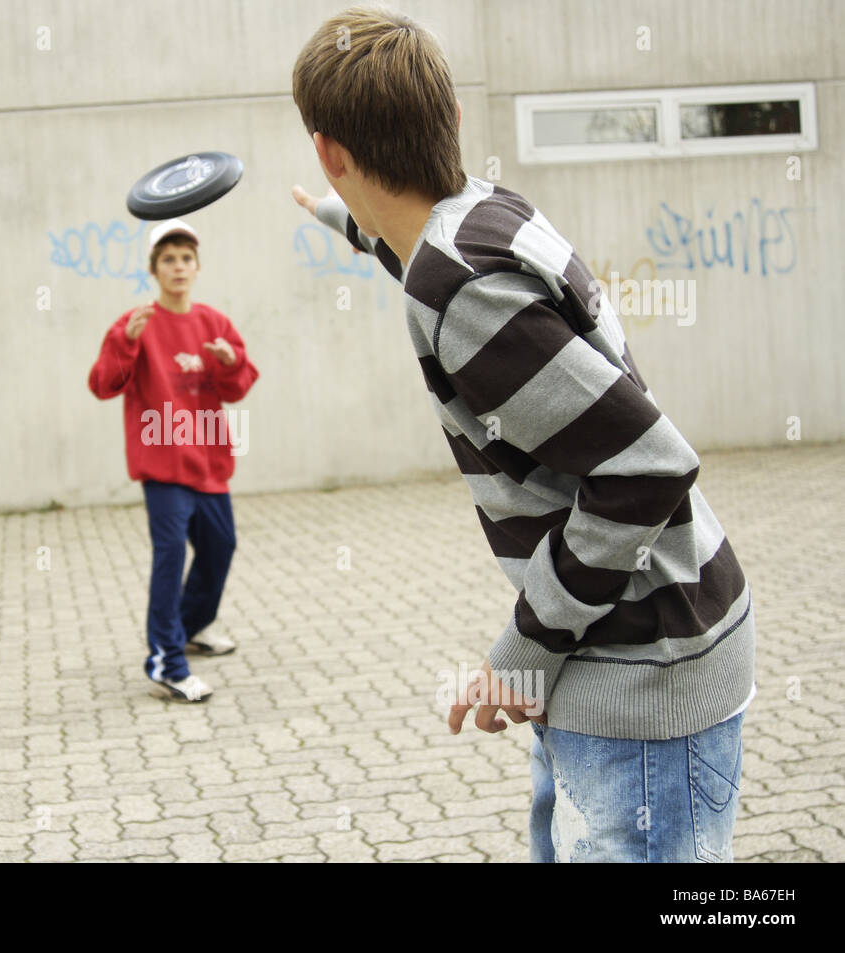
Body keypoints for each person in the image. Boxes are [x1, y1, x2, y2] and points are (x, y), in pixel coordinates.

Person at [291, 6, 755, 862]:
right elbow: (424, 246)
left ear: (329, 150)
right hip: (618, 667)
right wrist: (341, 217)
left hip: (642, 686)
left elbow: (649, 468)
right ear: (453, 116)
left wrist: (519, 657)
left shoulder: (460, 291)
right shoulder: (485, 212)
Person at [88, 219, 259, 703]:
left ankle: (190, 625)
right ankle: (166, 660)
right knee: (170, 556)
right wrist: (125, 344)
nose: (178, 267)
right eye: (168, 259)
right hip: (162, 466)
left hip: (209, 462)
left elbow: (237, 388)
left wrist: (230, 362)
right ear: (154, 269)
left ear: (197, 267)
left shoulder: (214, 324)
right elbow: (103, 385)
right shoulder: (134, 324)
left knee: (220, 547)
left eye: (186, 258)